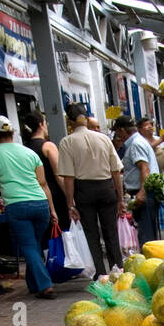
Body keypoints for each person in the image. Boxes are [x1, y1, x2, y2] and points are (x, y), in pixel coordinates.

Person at [0, 114, 56, 299]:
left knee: (29, 247)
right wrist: (52, 209)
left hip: (17, 206)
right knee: (35, 245)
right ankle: (33, 284)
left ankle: (45, 285)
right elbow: (43, 183)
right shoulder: (29, 152)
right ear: (13, 133)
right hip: (40, 204)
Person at [58, 102, 126, 277]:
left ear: (70, 121)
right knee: (110, 231)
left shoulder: (67, 142)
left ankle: (100, 274)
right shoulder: (103, 138)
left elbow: (69, 178)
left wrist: (70, 204)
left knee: (92, 234)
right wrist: (120, 199)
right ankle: (118, 269)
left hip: (84, 190)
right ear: (87, 118)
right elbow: (116, 172)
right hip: (106, 187)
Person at [111, 114, 159, 248]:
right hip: (146, 193)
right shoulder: (138, 141)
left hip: (144, 194)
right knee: (148, 234)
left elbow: (145, 168)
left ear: (121, 130)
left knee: (147, 237)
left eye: (117, 132)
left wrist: (142, 193)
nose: (118, 135)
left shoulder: (136, 144)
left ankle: (149, 265)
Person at [21, 109, 69, 230]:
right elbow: (59, 175)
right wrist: (70, 197)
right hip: (55, 196)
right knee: (62, 231)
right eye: (45, 122)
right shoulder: (48, 146)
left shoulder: (23, 149)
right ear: (41, 125)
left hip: (35, 197)